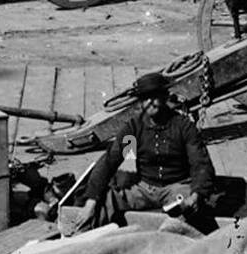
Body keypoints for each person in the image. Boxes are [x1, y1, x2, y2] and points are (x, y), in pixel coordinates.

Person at [70, 72, 216, 231]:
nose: (151, 103)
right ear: (140, 102)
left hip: (176, 187)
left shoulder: (182, 127)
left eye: (155, 97)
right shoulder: (134, 129)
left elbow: (200, 164)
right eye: (146, 98)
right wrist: (91, 202)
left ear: (165, 97)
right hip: (144, 188)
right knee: (106, 201)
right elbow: (111, 161)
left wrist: (196, 196)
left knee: (189, 211)